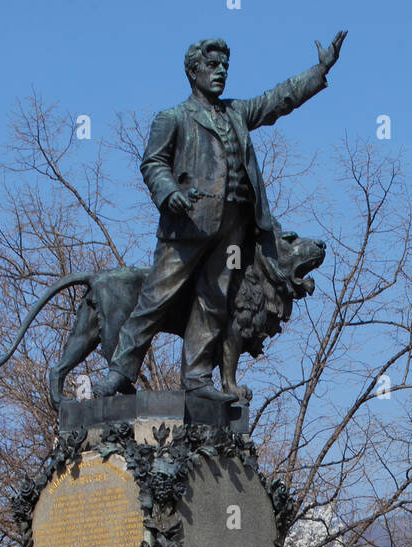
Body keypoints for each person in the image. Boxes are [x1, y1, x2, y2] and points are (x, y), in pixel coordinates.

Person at [93, 31, 346, 403]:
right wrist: (170, 194)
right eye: (212, 66)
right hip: (189, 225)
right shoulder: (174, 118)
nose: (220, 72)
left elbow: (279, 99)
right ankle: (119, 372)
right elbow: (153, 163)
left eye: (225, 66)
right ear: (192, 72)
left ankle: (197, 378)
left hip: (232, 230)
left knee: (213, 300)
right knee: (156, 299)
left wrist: (318, 70)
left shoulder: (237, 113)